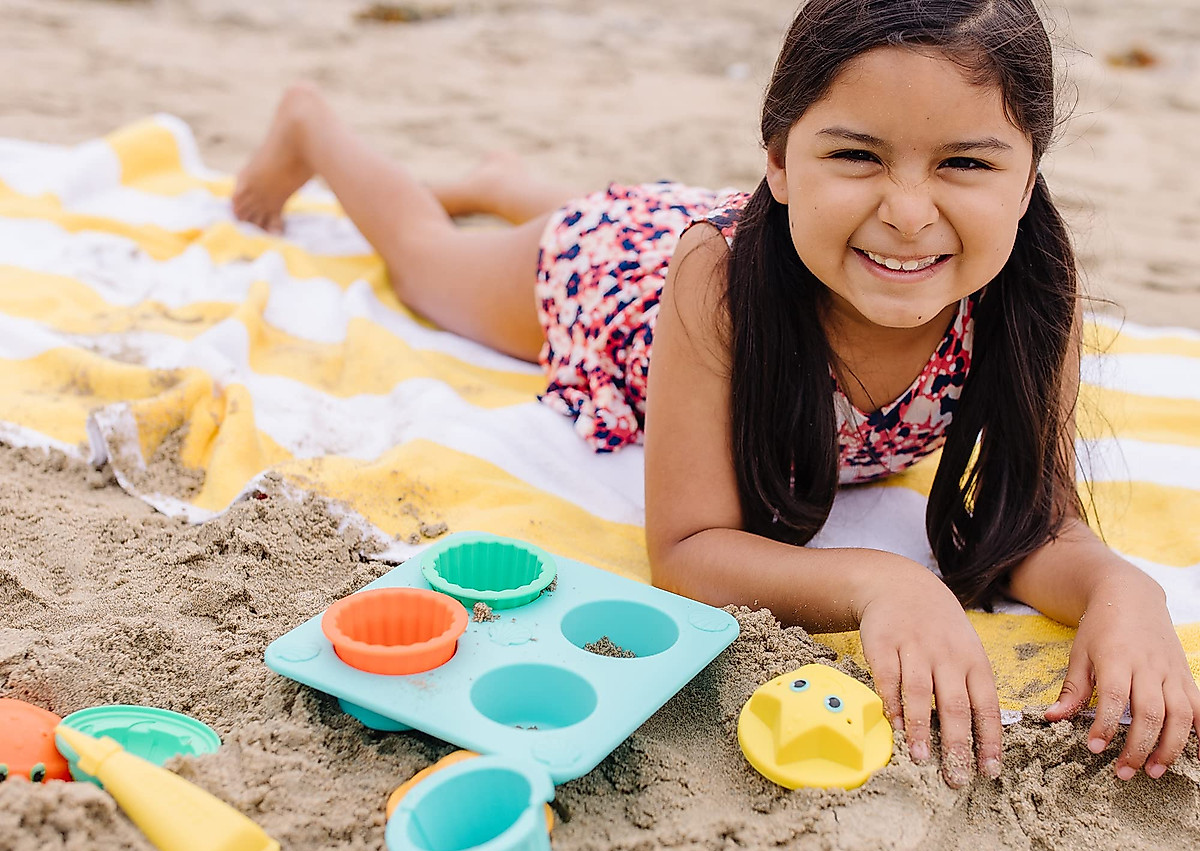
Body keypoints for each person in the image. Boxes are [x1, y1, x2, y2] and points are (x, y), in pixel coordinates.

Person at [233, 0, 1200, 788]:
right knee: (426, 263)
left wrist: (1122, 586)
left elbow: (1029, 522)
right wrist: (882, 581)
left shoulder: (1032, 291)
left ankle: (506, 180)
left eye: (966, 163)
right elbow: (688, 554)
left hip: (746, 242)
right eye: (856, 155)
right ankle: (315, 124)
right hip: (625, 277)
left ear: (1029, 176)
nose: (910, 212)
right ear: (777, 161)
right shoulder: (713, 281)